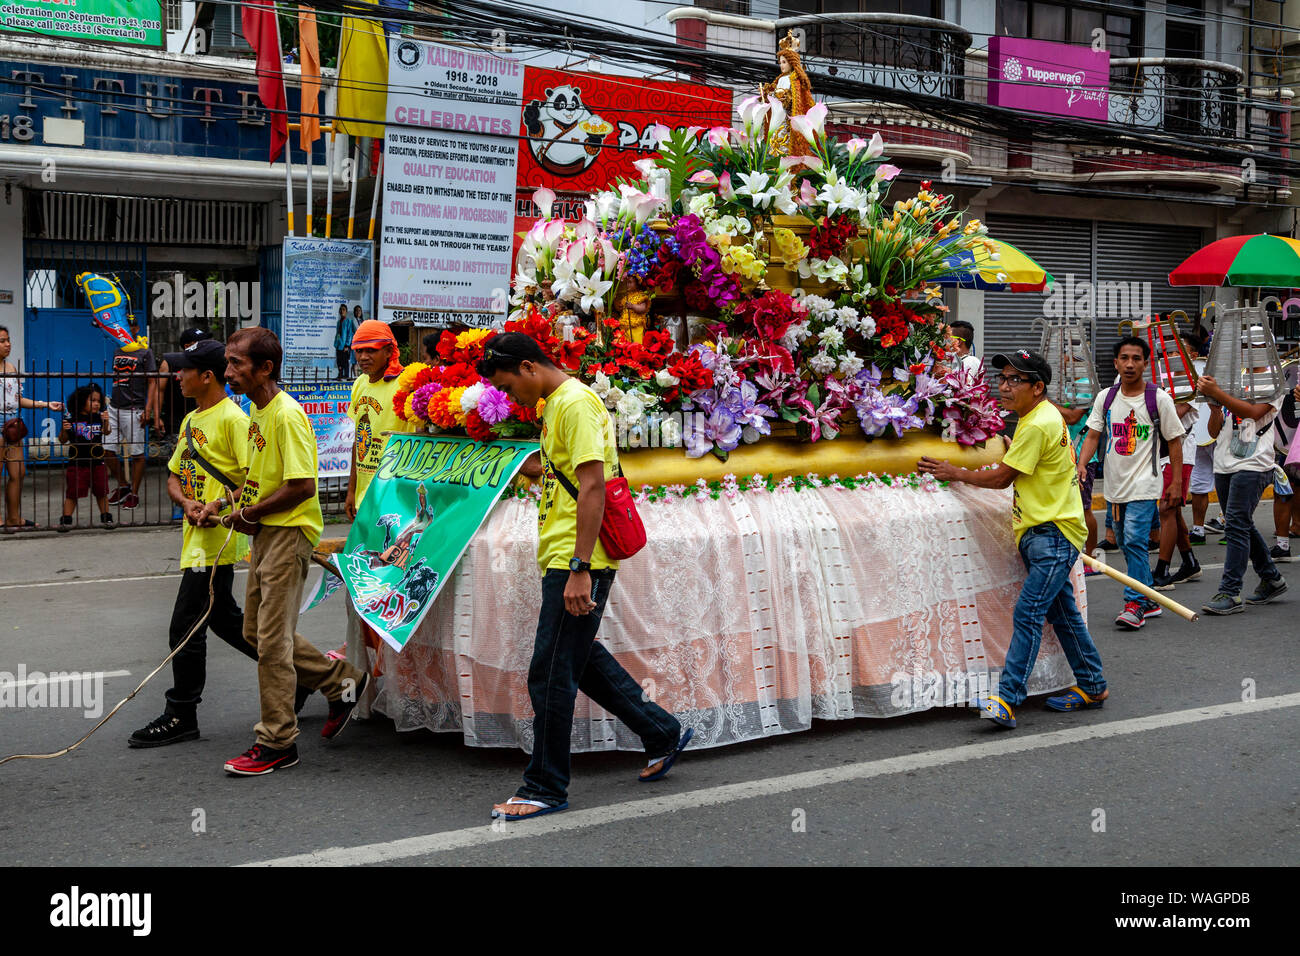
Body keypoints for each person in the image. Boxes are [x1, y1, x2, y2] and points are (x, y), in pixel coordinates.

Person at [478, 332, 690, 819]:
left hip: (581, 560)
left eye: (510, 386)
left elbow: (593, 485)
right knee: (577, 659)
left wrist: (578, 569)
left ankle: (545, 787)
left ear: (530, 367)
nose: (512, 398)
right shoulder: (554, 404)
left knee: (549, 674)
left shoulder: (573, 403)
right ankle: (660, 732)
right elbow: (561, 473)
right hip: (565, 555)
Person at [918, 349, 1108, 730]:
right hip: (1046, 531)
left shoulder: (1037, 423)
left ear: (1037, 388)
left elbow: (1003, 478)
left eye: (1014, 380)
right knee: (1062, 614)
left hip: (1053, 533)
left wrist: (955, 472)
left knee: (1029, 612)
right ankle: (1093, 684)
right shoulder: (1038, 418)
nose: (1004, 387)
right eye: (1002, 379)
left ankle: (1007, 698)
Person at [221, 327, 368, 775]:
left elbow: (303, 486)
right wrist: (230, 506)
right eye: (227, 363)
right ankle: (342, 680)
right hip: (264, 532)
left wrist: (252, 514)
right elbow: (260, 477)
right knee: (254, 631)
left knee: (271, 642)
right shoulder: (257, 412)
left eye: (236, 364)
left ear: (265, 368)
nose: (228, 372)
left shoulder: (286, 415)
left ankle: (278, 740)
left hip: (288, 533)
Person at [127, 339, 257, 746]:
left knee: (185, 626)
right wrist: (186, 501)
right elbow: (173, 475)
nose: (176, 376)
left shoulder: (233, 420)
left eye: (184, 370)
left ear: (207, 376)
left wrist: (216, 503)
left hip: (217, 542)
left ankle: (181, 713)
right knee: (225, 620)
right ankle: (305, 674)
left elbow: (255, 481)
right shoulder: (191, 421)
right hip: (194, 537)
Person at [1075, 337, 1185, 630]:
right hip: (1114, 485)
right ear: (1116, 363)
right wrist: (1082, 463)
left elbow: (1174, 442)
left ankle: (1134, 602)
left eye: (1136, 358)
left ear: (1145, 364)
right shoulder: (1106, 398)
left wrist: (1175, 483)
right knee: (1124, 541)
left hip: (1145, 483)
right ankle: (1148, 599)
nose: (1130, 364)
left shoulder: (1159, 398)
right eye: (1124, 358)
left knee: (1135, 540)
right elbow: (1094, 435)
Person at [1196, 371, 1287, 614]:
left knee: (1236, 523)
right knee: (1241, 523)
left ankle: (1230, 591)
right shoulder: (1231, 380)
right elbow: (1214, 432)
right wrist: (1215, 407)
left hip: (1254, 464)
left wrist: (1217, 394)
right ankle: (1272, 578)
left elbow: (1254, 413)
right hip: (1224, 463)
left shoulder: (1272, 380)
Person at [345, 319, 410, 519]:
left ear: (389, 351)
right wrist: (351, 490)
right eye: (359, 351)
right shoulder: (359, 384)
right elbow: (359, 441)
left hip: (394, 493)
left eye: (371, 350)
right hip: (364, 497)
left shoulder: (405, 385)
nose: (363, 357)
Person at [1, 325, 62, 531]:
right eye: (2, 341)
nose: (8, 344)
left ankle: (13, 518)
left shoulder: (10, 369)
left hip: (13, 423)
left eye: (8, 340)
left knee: (18, 473)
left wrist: (45, 404)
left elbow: (18, 399)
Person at [105, 322, 160, 511]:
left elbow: (152, 382)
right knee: (107, 449)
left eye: (128, 327)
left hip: (134, 408)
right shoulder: (117, 350)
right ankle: (123, 485)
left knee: (137, 453)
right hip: (114, 407)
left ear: (136, 329)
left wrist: (148, 409)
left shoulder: (145, 352)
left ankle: (134, 493)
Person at [1151, 397, 1202, 590]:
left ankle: (1162, 570)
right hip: (1159, 451)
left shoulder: (1191, 382)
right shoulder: (1161, 378)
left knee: (1166, 508)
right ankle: (1189, 562)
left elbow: (1173, 415)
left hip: (1181, 450)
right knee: (1173, 510)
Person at [1052, 400, 1100, 575]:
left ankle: (1093, 558)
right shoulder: (1062, 387)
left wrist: (1044, 401)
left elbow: (1073, 418)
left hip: (1083, 460)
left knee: (1084, 508)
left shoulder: (1085, 385)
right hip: (1064, 458)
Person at [58, 383, 113, 531]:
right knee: (73, 492)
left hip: (97, 460)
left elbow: (107, 432)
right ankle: (66, 520)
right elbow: (62, 440)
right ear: (81, 401)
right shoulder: (71, 418)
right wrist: (64, 430)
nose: (96, 404)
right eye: (92, 400)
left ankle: (106, 517)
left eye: (98, 401)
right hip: (77, 461)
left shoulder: (98, 417)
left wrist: (106, 421)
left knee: (101, 491)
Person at [333, 304, 353, 380]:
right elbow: (337, 333)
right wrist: (336, 343)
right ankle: (340, 375)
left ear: (346, 311)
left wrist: (347, 345)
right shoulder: (339, 322)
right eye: (340, 309)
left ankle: (346, 374)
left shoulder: (348, 321)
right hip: (339, 344)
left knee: (345, 361)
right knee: (339, 361)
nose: (342, 311)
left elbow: (349, 334)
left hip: (345, 345)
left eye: (343, 309)